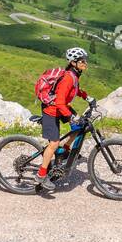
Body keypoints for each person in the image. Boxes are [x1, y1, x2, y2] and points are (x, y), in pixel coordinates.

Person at [37, 47, 89, 191]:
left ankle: (64, 151)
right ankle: (41, 175)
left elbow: (74, 89)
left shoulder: (74, 74)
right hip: (52, 110)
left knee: (80, 127)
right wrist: (71, 117)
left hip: (61, 107)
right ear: (74, 63)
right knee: (54, 143)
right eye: (82, 61)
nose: (85, 63)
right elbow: (59, 102)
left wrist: (86, 97)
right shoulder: (68, 77)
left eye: (85, 60)